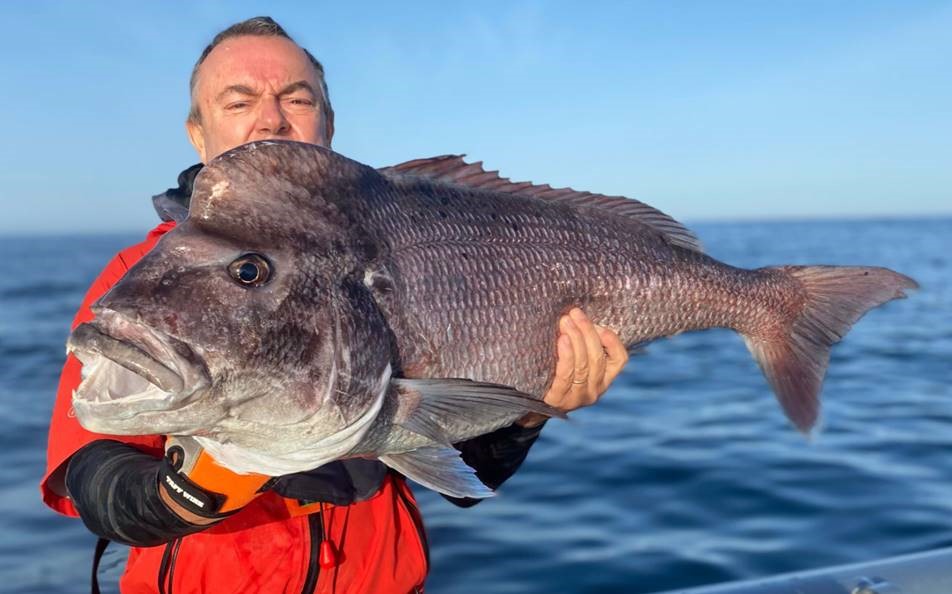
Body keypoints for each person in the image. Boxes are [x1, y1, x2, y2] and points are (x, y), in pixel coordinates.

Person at [42, 16, 629, 594]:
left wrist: (527, 417)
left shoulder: (399, 236)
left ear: (327, 122)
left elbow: (463, 478)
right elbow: (92, 478)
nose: (270, 118)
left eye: (296, 99)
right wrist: (200, 485)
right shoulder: (134, 278)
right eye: (238, 101)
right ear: (199, 132)